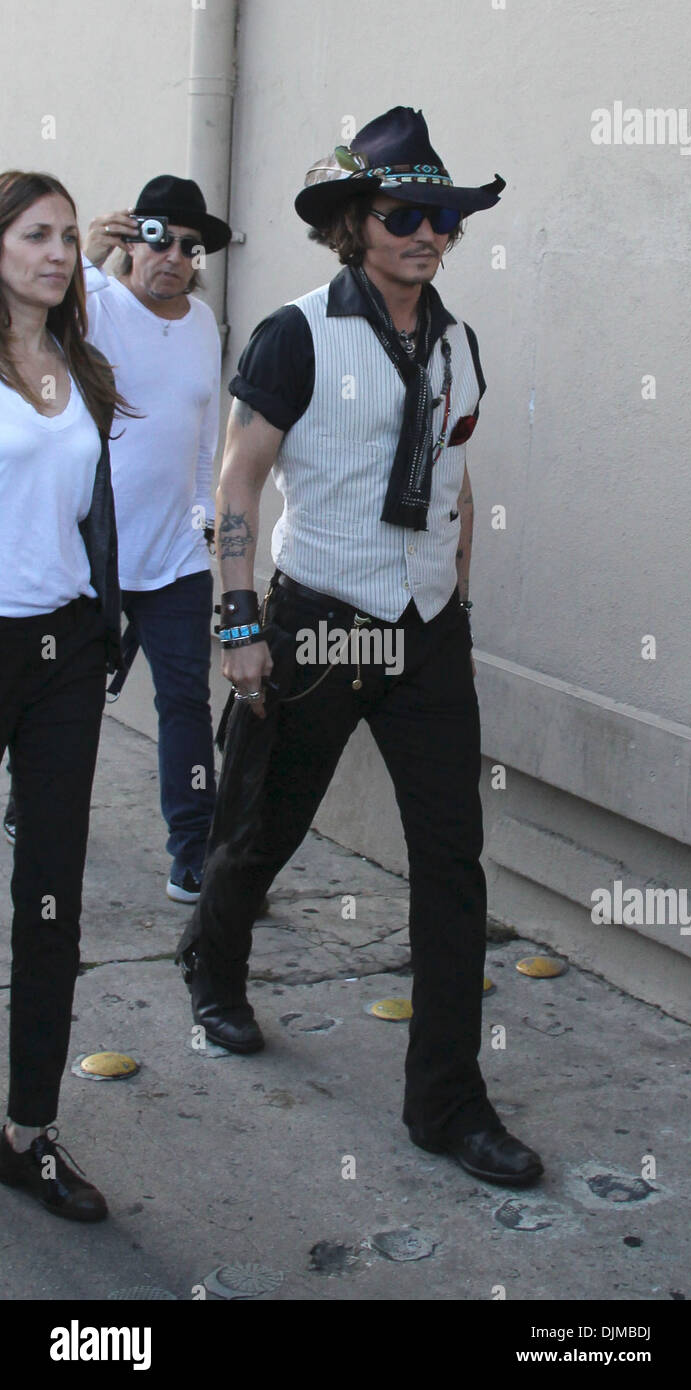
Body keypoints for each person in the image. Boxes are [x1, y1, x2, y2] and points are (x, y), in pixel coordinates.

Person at [178, 107, 544, 1187]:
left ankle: (445, 1103)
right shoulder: (295, 332)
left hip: (427, 636)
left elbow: (455, 478)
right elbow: (238, 479)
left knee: (449, 865)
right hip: (317, 616)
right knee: (260, 826)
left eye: (440, 217)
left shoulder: (458, 342)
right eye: (402, 216)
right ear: (353, 224)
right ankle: (213, 956)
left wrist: (455, 598)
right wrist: (239, 620)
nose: (425, 234)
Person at [0, 169, 131, 1219]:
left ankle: (29, 1128)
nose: (56, 253)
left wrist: (106, 624)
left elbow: (94, 515)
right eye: (34, 235)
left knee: (50, 898)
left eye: (64, 239)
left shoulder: (81, 367)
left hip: (64, 657)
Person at [79, 176, 231, 902]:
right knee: (67, 699)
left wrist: (203, 515)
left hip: (174, 556)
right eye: (157, 237)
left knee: (185, 703)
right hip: (92, 555)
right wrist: (84, 255)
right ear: (130, 240)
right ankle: (31, 801)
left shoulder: (203, 322)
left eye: (188, 246)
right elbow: (31, 314)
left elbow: (206, 436)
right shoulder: (94, 306)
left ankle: (192, 849)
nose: (173, 255)